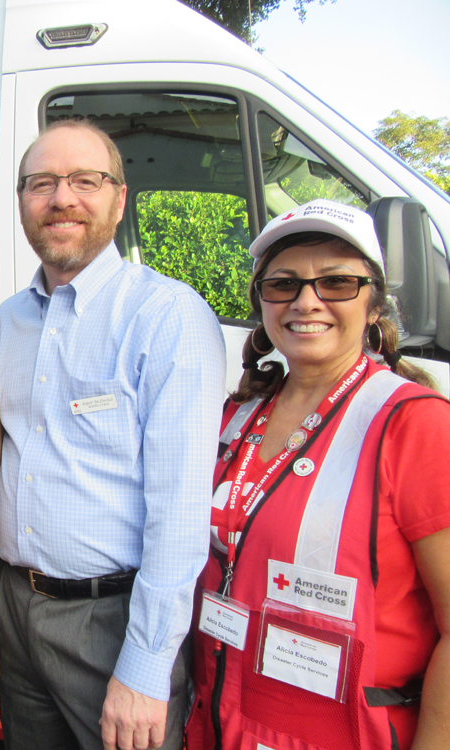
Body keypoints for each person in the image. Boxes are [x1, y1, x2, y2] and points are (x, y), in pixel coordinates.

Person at [0, 117, 226, 750]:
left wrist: (146, 667)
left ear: (119, 200)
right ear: (21, 204)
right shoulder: (8, 321)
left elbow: (180, 513)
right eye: (41, 183)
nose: (61, 198)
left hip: (111, 620)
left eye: (85, 180)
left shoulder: (168, 316)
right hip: (15, 611)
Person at [188, 199, 450, 750]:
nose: (306, 301)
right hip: (220, 722)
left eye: (336, 282)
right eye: (283, 284)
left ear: (374, 306)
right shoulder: (237, 416)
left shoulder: (416, 424)